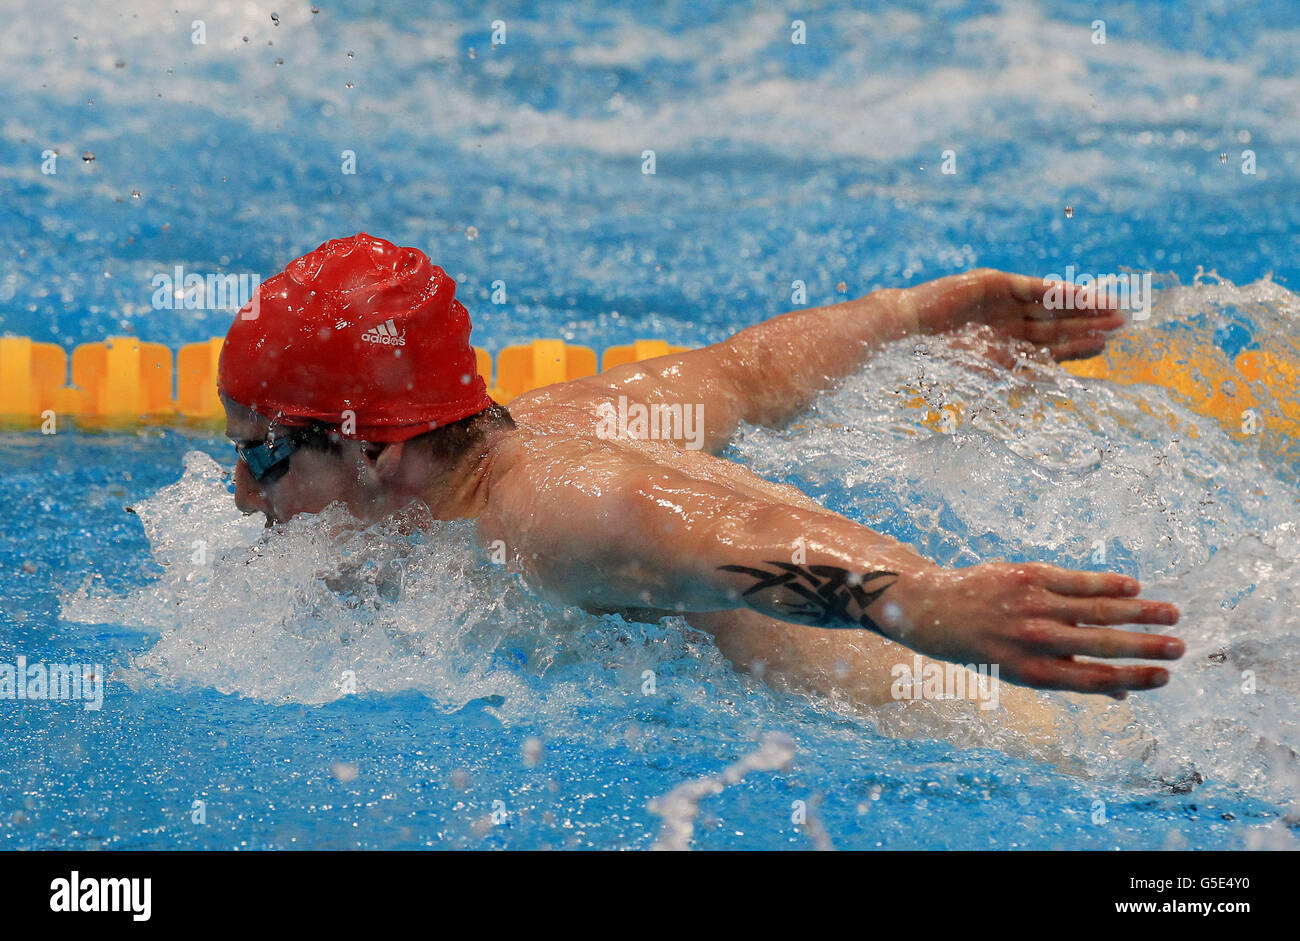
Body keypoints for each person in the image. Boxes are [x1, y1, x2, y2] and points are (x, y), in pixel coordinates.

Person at [218, 233, 1183, 729]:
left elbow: (735, 531)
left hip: (1067, 727)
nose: (240, 495)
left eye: (264, 456)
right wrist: (904, 315)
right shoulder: (554, 418)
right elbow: (743, 372)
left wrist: (925, 598)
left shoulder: (549, 514)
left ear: (378, 450)